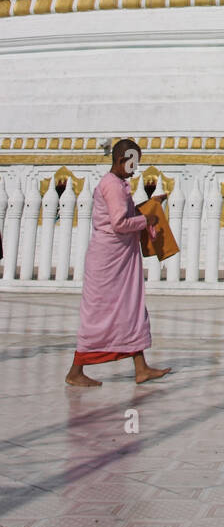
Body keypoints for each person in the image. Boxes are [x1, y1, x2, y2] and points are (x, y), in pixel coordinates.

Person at [64, 138, 172, 388]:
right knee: (100, 313)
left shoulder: (118, 184)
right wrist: (148, 220)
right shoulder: (112, 185)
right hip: (108, 261)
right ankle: (75, 370)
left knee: (130, 308)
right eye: (134, 163)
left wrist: (151, 207)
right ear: (122, 160)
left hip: (120, 257)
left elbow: (127, 215)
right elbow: (119, 223)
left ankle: (141, 367)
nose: (136, 169)